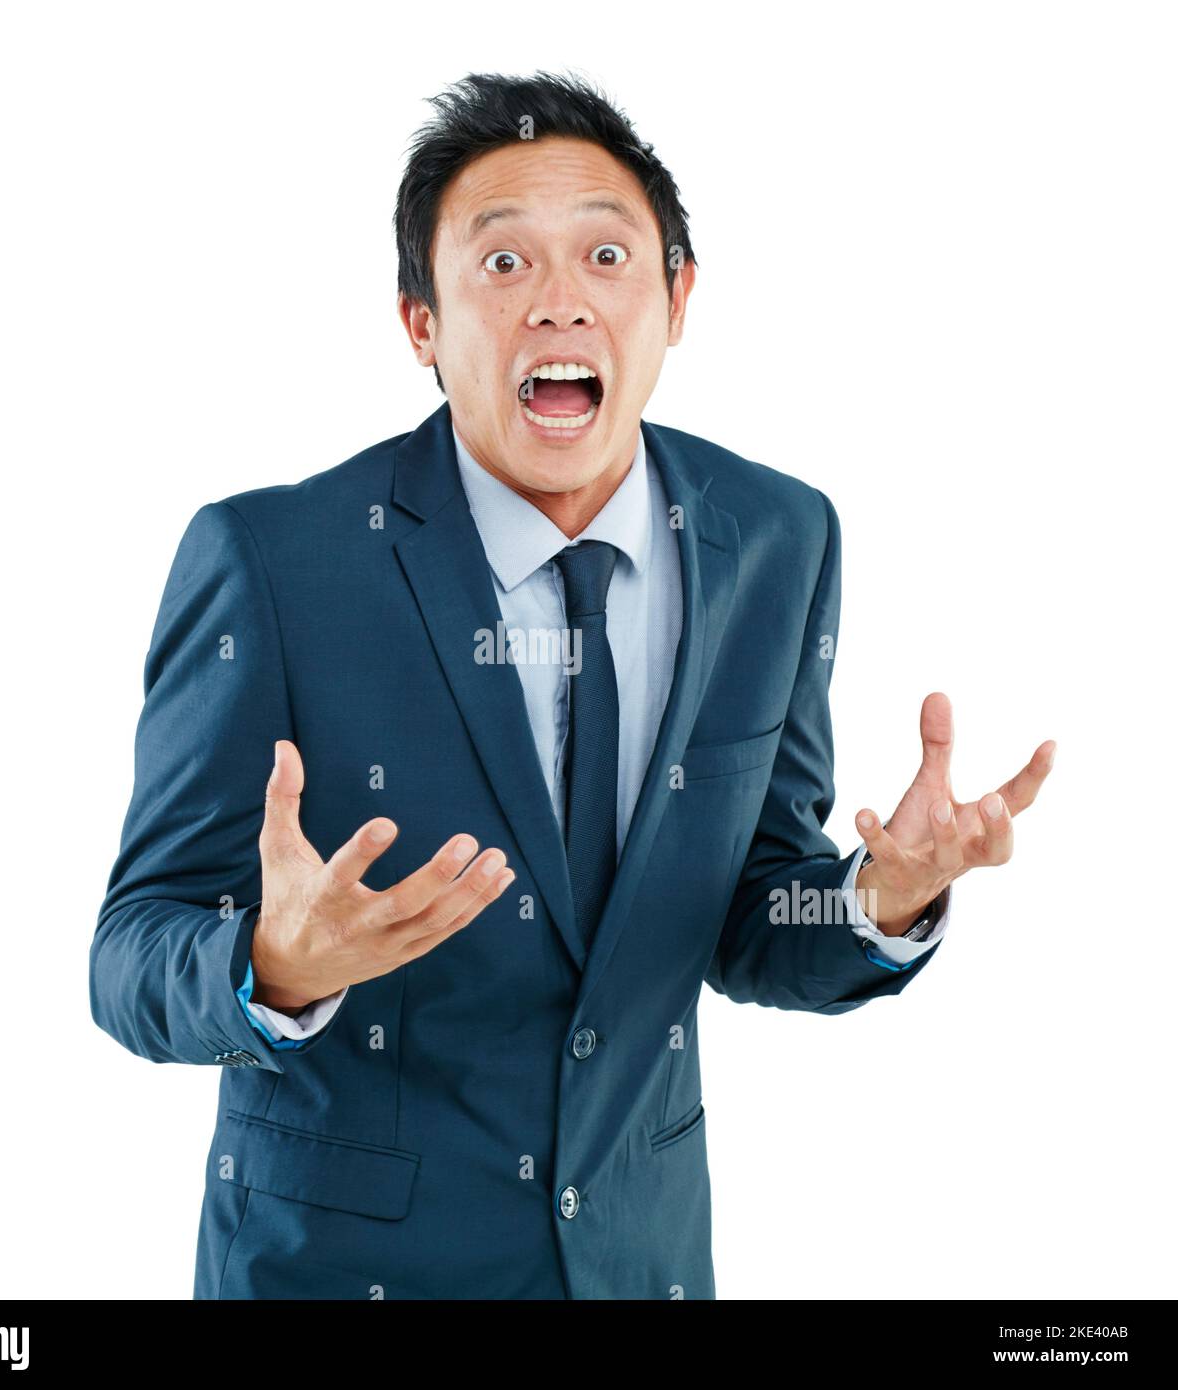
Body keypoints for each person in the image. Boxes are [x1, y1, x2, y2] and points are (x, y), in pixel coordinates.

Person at [91, 71, 1054, 1300]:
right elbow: (128, 952)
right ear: (420, 323)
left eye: (607, 254)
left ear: (677, 298)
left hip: (637, 1268)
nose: (560, 302)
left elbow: (751, 918)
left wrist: (875, 899)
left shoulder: (777, 537)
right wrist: (270, 966)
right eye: (501, 266)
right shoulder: (272, 561)